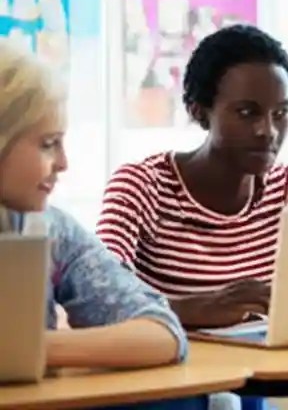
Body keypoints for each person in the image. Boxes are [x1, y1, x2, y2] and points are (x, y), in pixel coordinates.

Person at [97, 24, 288, 329]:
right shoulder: (141, 186)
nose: (268, 131)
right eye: (246, 112)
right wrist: (187, 309)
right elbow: (100, 295)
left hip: (270, 369)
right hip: (178, 371)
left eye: (280, 113)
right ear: (199, 112)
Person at [0, 42, 185, 370]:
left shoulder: (53, 229)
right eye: (48, 144)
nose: (63, 163)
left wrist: (29, 348)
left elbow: (162, 333)